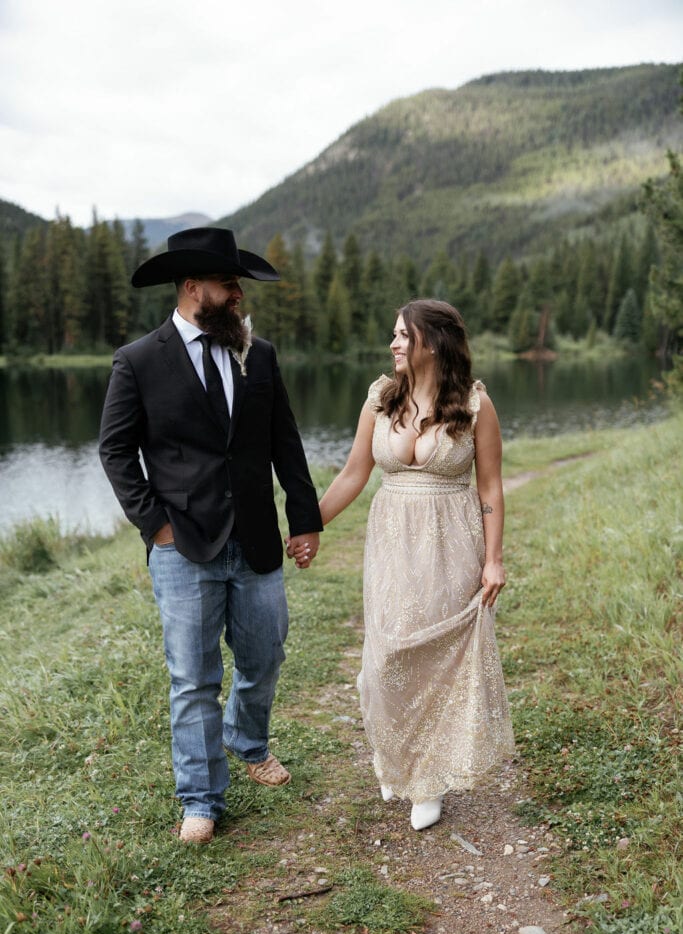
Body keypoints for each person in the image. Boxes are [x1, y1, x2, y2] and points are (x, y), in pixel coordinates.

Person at [99, 227, 322, 844]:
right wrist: (156, 524)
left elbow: (286, 443)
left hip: (255, 539)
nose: (238, 296)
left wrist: (304, 519)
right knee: (194, 678)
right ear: (195, 288)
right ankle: (201, 799)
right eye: (230, 285)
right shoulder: (139, 360)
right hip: (183, 546)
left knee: (266, 654)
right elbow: (115, 452)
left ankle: (247, 739)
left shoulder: (261, 355)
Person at [297, 298, 514, 831]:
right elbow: (352, 473)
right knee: (387, 654)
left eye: (402, 335)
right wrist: (309, 524)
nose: (393, 344)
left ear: (432, 342)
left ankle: (428, 781)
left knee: (437, 655)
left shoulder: (475, 404)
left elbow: (489, 486)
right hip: (393, 541)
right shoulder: (379, 399)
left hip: (451, 540)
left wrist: (493, 560)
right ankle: (396, 755)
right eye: (393, 335)